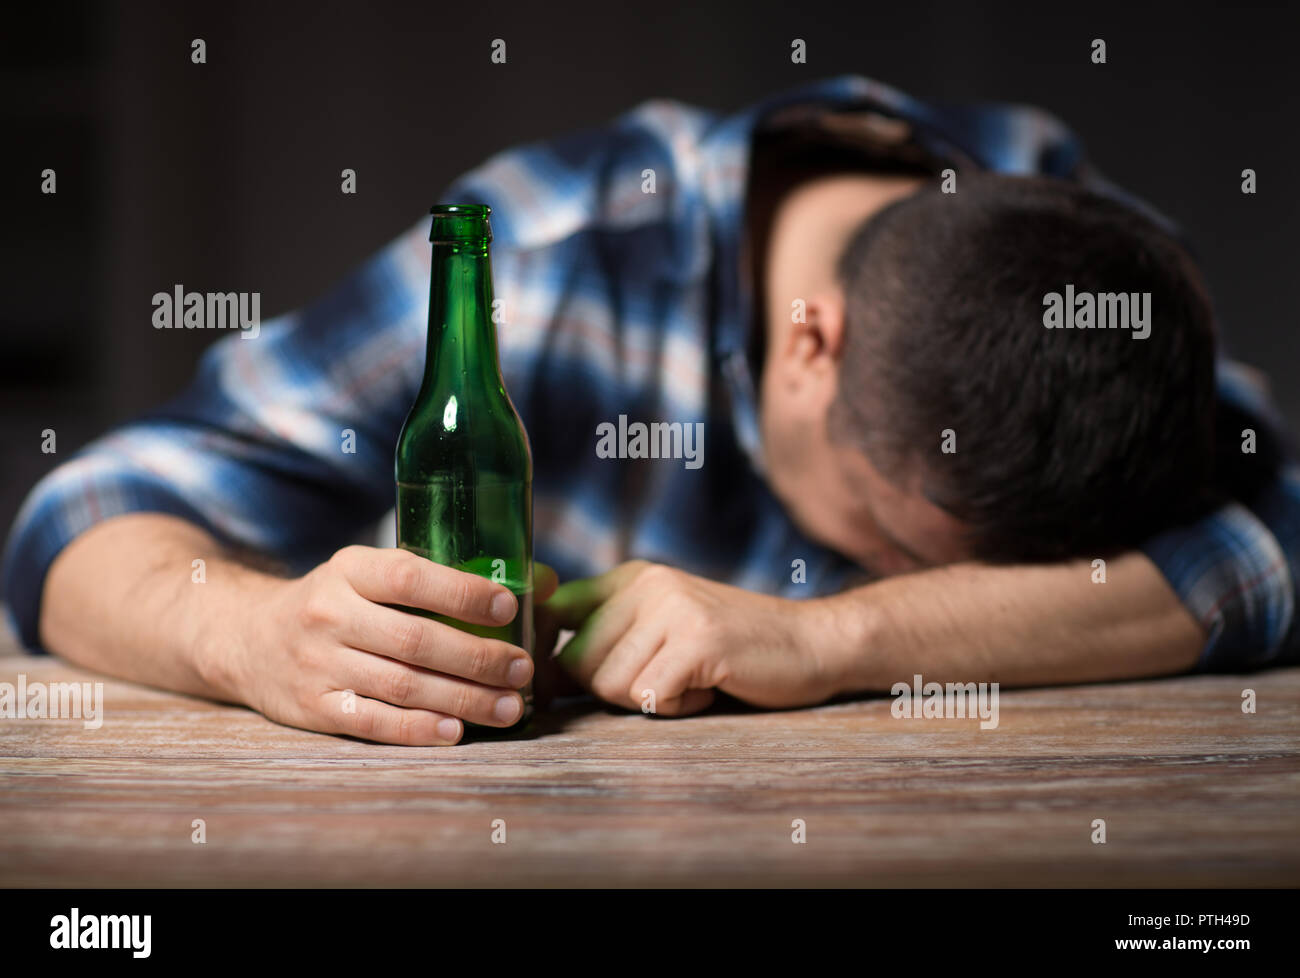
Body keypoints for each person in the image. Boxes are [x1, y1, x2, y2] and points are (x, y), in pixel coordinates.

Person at [4, 75, 1297, 745]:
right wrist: (254, 636)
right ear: (809, 342)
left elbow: (1269, 540)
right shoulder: (554, 255)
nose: (934, 587)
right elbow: (83, 514)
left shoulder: (1089, 262)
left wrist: (825, 638)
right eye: (892, 536)